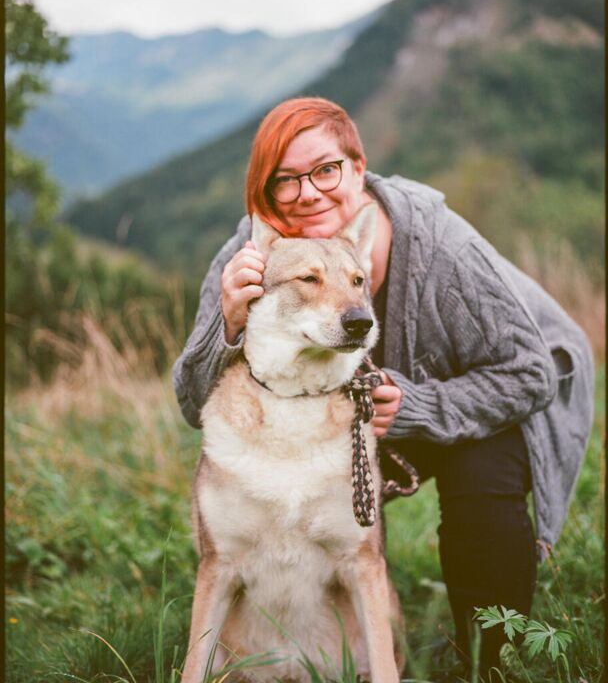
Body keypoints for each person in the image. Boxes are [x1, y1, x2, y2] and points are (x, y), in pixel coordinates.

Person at [172, 97, 594, 678]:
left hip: (488, 389)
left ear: (358, 167)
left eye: (325, 169)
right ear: (265, 194)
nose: (310, 192)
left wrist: (419, 406)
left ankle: (495, 660)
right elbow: (194, 403)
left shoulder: (441, 247)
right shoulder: (252, 258)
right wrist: (229, 320)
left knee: (483, 482)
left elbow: (530, 371)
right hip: (350, 411)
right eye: (286, 180)